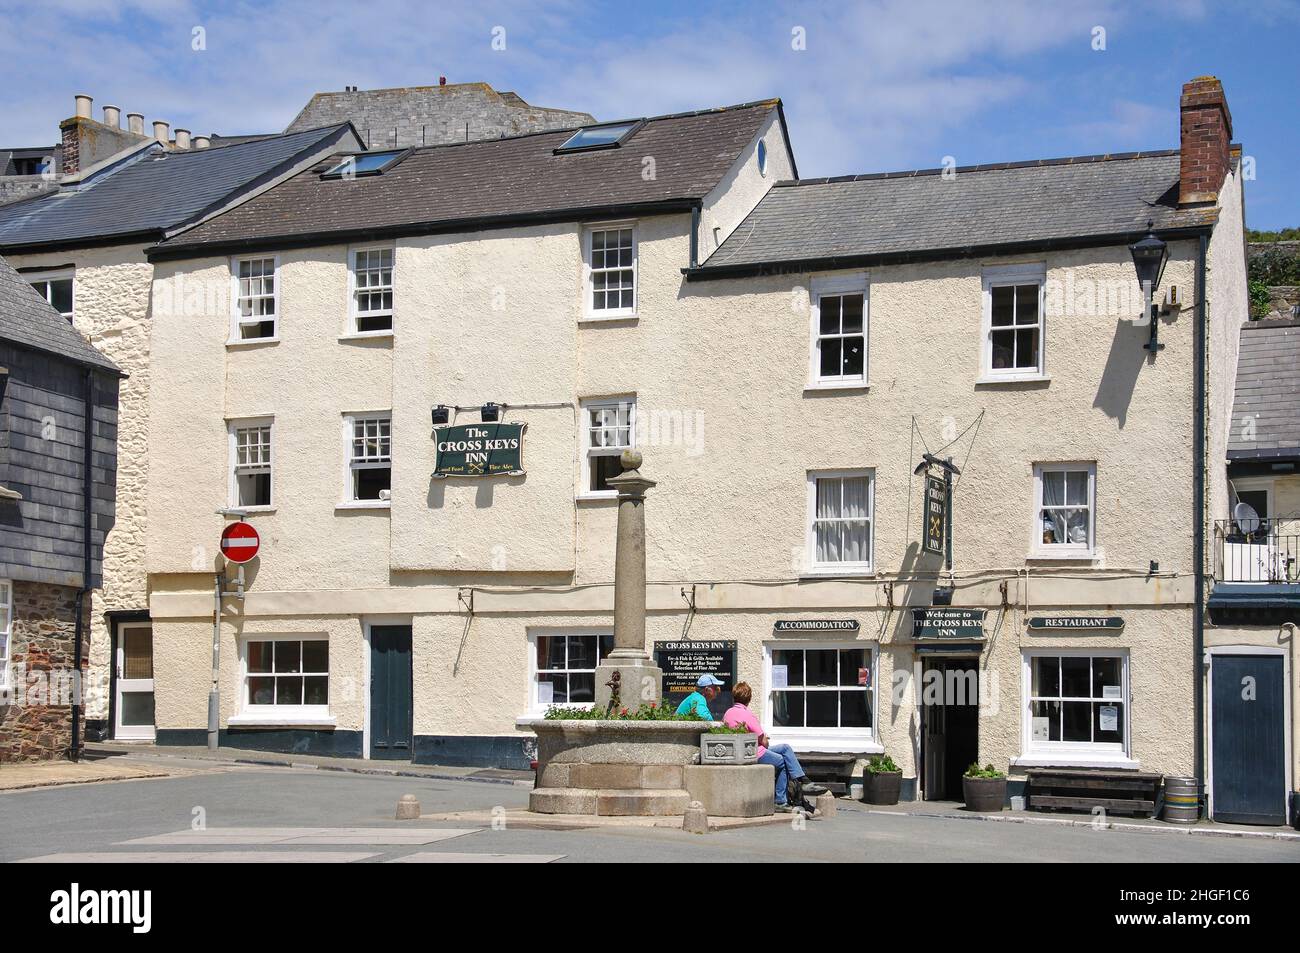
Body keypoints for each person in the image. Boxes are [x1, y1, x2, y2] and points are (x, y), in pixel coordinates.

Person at [723, 681, 826, 812]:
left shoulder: (728, 713)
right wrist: (765, 740)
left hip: (743, 749)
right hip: (753, 751)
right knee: (782, 761)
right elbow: (764, 741)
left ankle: (803, 780)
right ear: (749, 698)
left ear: (734, 697)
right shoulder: (747, 714)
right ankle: (780, 801)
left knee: (785, 748)